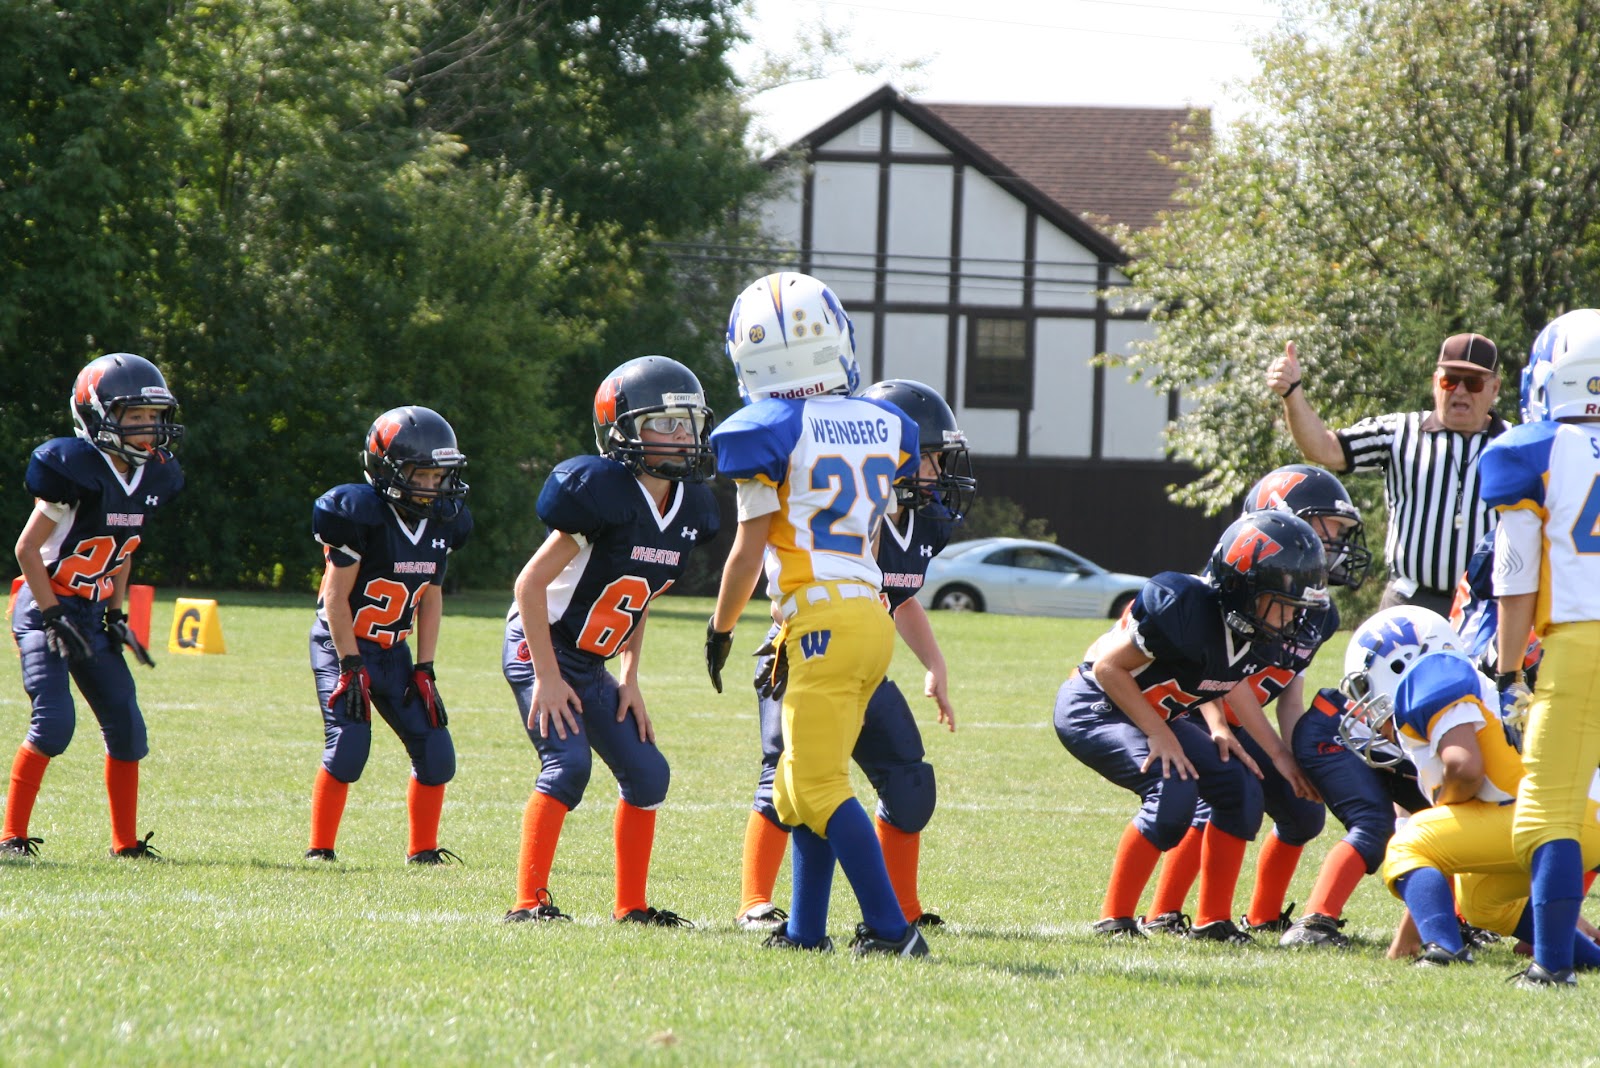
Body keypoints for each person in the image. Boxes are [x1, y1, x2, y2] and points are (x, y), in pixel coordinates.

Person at [706, 271, 926, 957]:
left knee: (820, 784)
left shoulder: (766, 428)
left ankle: (893, 932)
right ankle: (804, 931)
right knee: (801, 783)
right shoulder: (889, 422)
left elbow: (747, 554)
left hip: (819, 619)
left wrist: (719, 629)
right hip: (869, 615)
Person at [735, 378, 975, 932]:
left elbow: (903, 595)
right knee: (786, 778)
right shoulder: (840, 509)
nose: (937, 471)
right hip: (801, 655)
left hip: (862, 662)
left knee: (910, 781)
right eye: (931, 458)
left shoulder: (922, 522)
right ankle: (756, 904)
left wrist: (934, 665)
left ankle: (902, 910)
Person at [501, 356, 718, 926]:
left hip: (593, 658)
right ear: (621, 429)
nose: (681, 437)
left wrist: (630, 676)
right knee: (567, 766)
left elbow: (637, 597)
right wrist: (546, 677)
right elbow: (529, 585)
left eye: (688, 423)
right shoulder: (600, 492)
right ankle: (528, 902)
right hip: (539, 642)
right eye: (664, 424)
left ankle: (632, 906)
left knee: (649, 773)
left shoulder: (689, 506)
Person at [1055, 509, 1325, 943]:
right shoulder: (1185, 606)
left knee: (1239, 788)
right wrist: (1160, 733)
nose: (1289, 619)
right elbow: (1108, 669)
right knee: (1172, 790)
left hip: (1154, 714)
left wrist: (1276, 753)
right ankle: (1115, 919)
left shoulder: (1250, 629)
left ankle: (1212, 921)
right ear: (1243, 585)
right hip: (1096, 704)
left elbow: (1232, 680)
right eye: (1282, 605)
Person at [1141, 465, 1363, 938]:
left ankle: (1262, 916)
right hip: (1200, 711)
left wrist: (1297, 757)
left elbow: (1288, 693)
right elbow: (1205, 670)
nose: (1340, 541)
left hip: (1250, 720)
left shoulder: (1318, 612)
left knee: (1303, 811)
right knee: (1222, 799)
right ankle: (1164, 913)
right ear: (1285, 519)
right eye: (1333, 527)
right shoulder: (1225, 586)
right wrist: (1218, 724)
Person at [1337, 608, 1600, 971]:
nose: (1365, 706)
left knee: (1407, 842)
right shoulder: (1451, 679)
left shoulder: (1429, 676)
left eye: (1365, 686)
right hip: (1570, 811)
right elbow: (1454, 836)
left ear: (1399, 663)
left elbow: (1465, 767)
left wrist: (1444, 804)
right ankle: (1593, 961)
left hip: (1557, 813)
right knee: (1480, 899)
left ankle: (1444, 950)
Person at [2, 353, 184, 859]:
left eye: (153, 416)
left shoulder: (153, 476)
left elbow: (122, 548)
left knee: (126, 725)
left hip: (90, 610)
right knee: (55, 724)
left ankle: (125, 843)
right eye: (135, 416)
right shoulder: (74, 469)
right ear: (98, 416)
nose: (149, 427)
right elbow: (24, 551)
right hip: (45, 607)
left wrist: (117, 612)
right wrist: (53, 612)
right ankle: (10, 836)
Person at [1479, 310, 1600, 987]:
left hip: (1582, 645)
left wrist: (1505, 667)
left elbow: (1515, 577)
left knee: (1547, 814)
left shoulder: (1531, 450)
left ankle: (1552, 965)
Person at [306, 406, 472, 865]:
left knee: (437, 751)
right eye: (424, 474)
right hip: (342, 643)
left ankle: (423, 851)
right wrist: (350, 664)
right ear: (389, 470)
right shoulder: (359, 514)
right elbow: (336, 601)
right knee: (350, 745)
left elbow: (431, 598)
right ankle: (320, 848)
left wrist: (425, 668)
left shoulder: (441, 522)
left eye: (441, 475)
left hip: (394, 650)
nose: (435, 486)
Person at [1267, 333, 1509, 614]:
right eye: (1450, 380)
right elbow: (1324, 449)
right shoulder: (1398, 432)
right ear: (1435, 383)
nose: (1460, 391)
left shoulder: (1516, 445)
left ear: (1494, 388)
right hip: (1410, 599)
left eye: (1474, 382)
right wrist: (1293, 393)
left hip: (1487, 607)